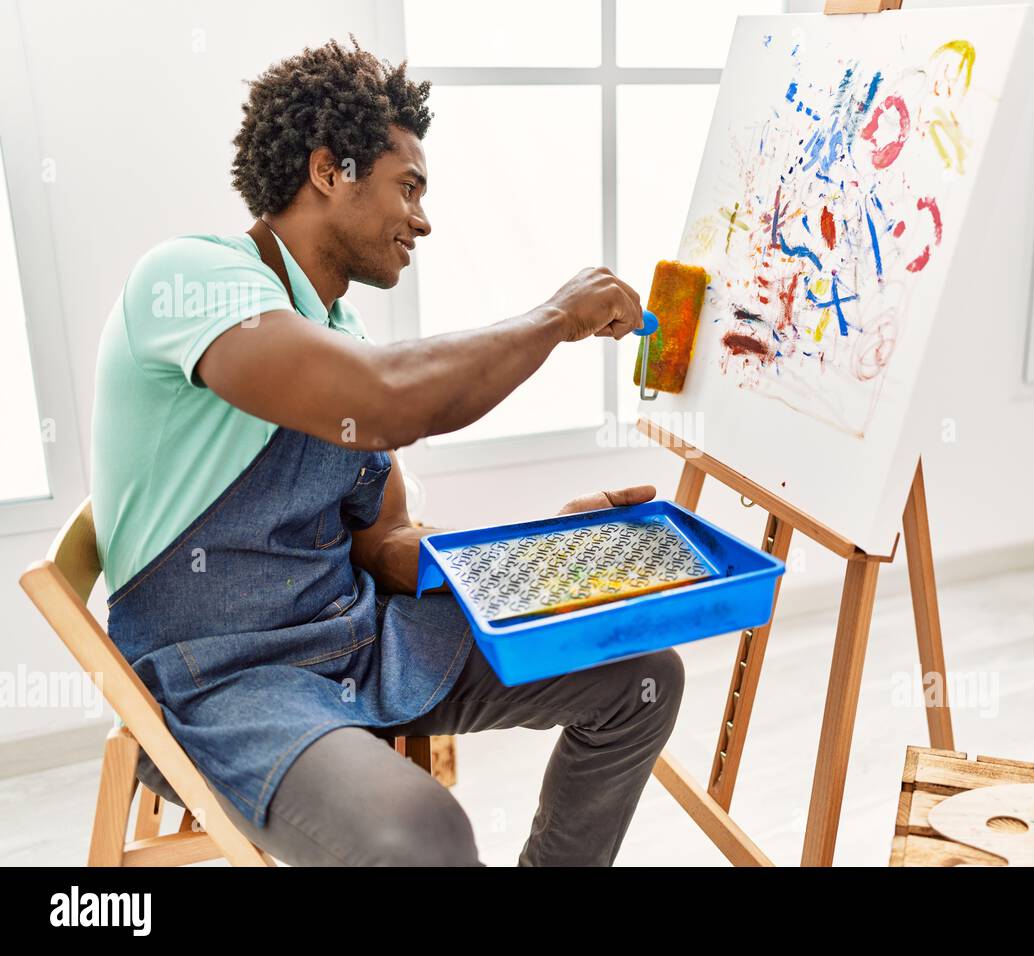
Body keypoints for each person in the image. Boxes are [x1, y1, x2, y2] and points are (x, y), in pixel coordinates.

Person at [90, 35, 683, 866]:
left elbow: (388, 545)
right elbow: (383, 401)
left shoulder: (340, 329)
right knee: (423, 832)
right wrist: (557, 317)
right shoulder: (190, 279)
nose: (424, 219)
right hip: (223, 680)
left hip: (355, 640)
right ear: (331, 172)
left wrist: (542, 553)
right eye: (409, 188)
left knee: (638, 677)